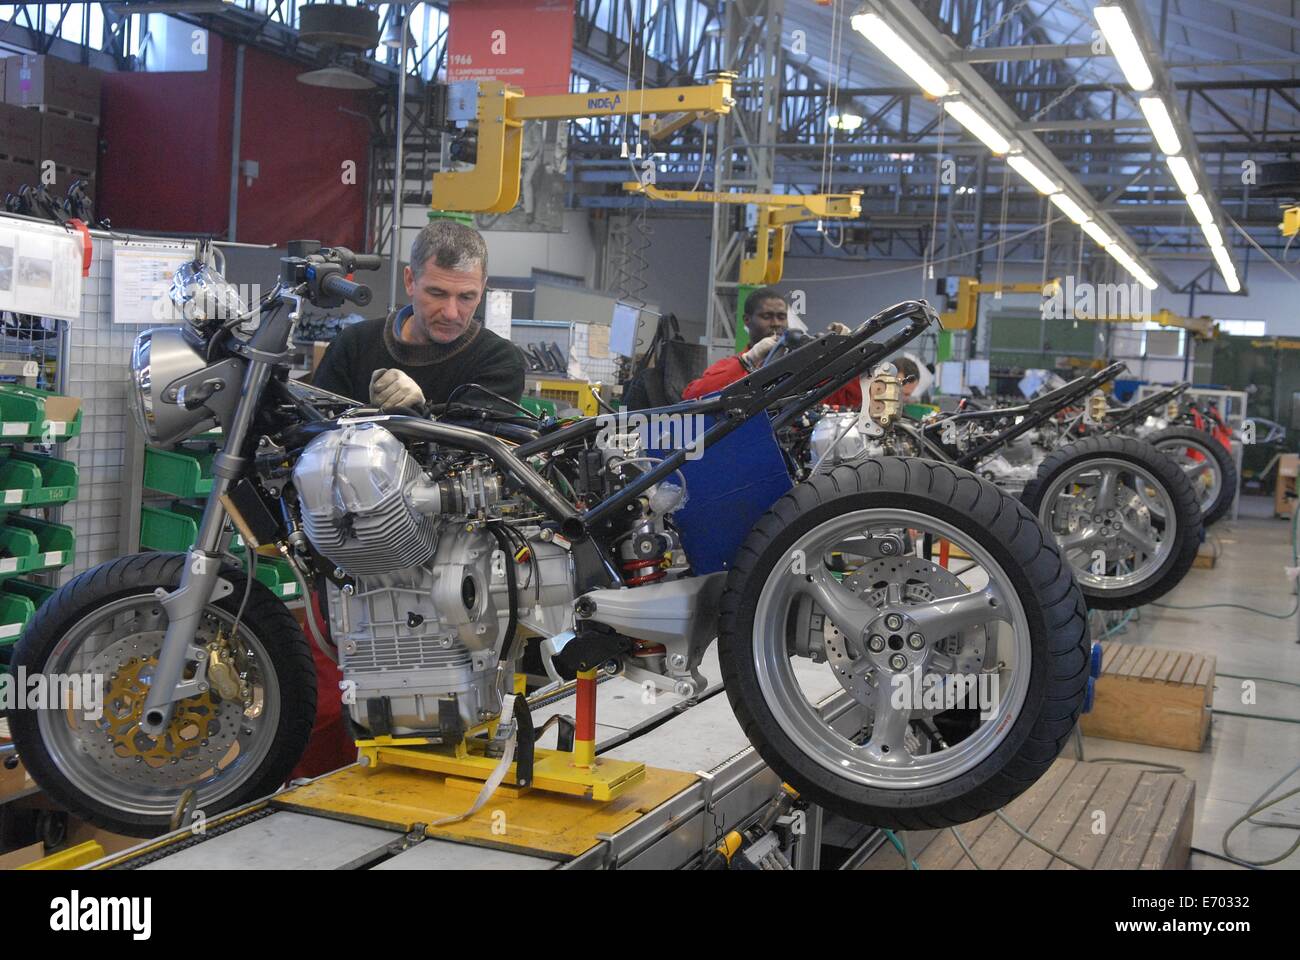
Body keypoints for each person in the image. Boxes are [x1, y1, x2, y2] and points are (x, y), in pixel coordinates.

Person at [312, 220, 525, 412]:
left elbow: (470, 450)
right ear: (410, 281)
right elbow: (314, 436)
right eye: (437, 293)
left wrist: (419, 410)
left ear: (482, 288)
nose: (451, 313)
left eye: (467, 297)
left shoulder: (500, 362)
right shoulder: (354, 346)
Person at [681, 288, 861, 406]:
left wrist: (846, 353)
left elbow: (854, 398)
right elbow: (692, 397)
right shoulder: (734, 366)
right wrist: (748, 361)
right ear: (747, 320)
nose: (776, 324)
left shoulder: (804, 369)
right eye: (766, 316)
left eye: (781, 317)